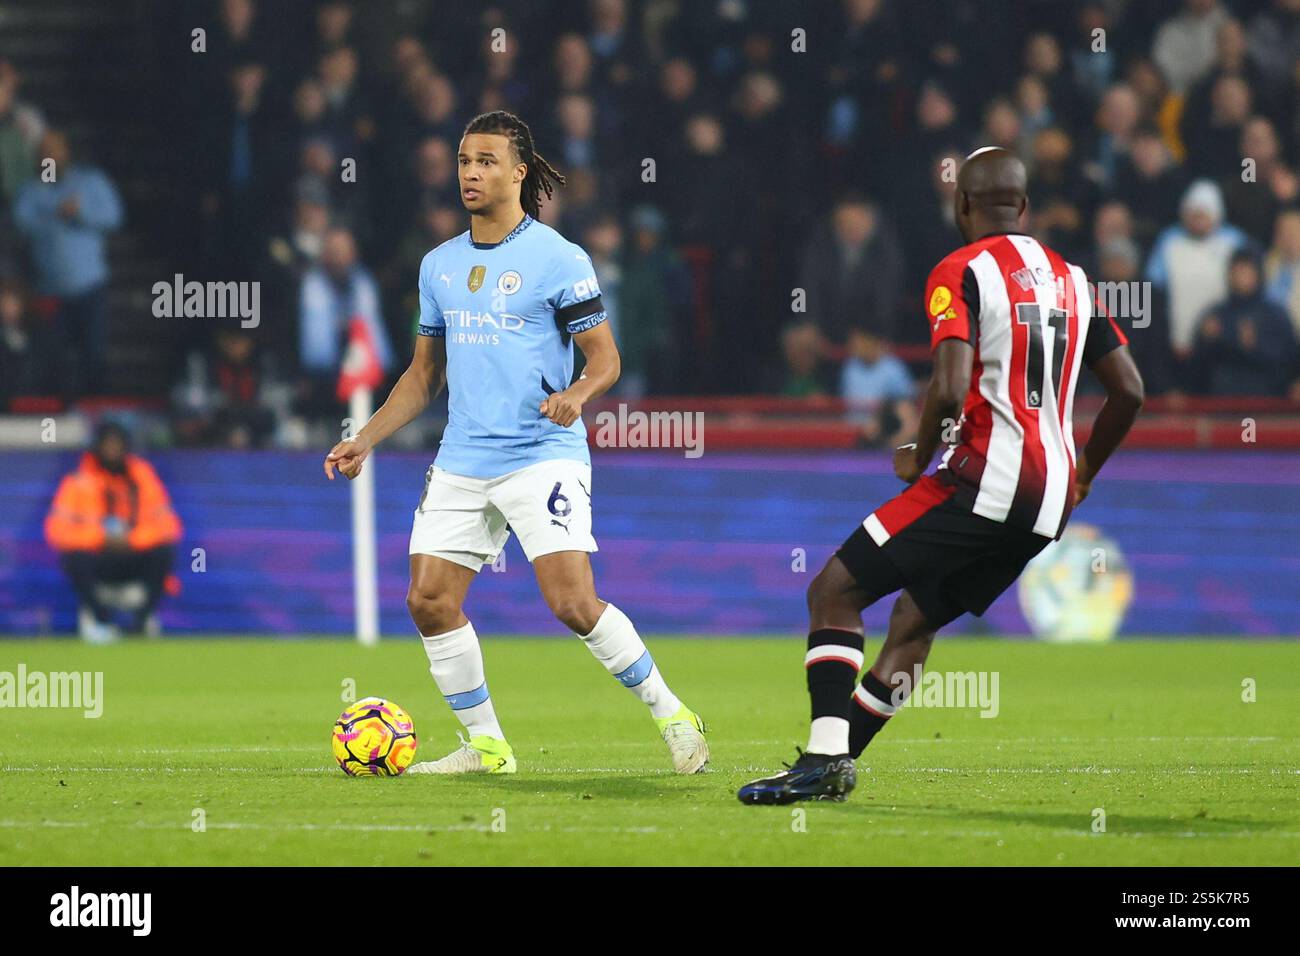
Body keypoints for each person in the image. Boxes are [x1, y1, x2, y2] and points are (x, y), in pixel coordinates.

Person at [739, 148, 1144, 804]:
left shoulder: (959, 270)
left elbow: (950, 386)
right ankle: (835, 763)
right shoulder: (1073, 279)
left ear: (962, 206)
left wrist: (917, 453)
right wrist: (1085, 473)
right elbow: (1129, 393)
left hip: (982, 481)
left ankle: (821, 757)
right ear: (1025, 207)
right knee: (914, 624)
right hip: (1047, 508)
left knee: (833, 592)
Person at [323, 111, 707, 776]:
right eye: (465, 160)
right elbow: (423, 378)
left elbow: (606, 359)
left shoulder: (558, 259)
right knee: (429, 600)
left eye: (487, 161)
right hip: (464, 458)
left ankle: (673, 714)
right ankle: (487, 746)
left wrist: (577, 397)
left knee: (571, 603)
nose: (471, 173)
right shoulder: (439, 266)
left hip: (541, 453)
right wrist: (364, 440)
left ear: (520, 171)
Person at [44, 421, 183, 642]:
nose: (112, 451)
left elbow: (169, 526)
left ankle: (141, 621)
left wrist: (132, 540)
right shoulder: (78, 482)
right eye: (107, 445)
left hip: (133, 554)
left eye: (117, 445)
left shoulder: (143, 478)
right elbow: (56, 532)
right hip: (98, 557)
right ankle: (102, 620)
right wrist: (101, 538)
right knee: (74, 559)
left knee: (163, 553)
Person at [12, 130, 123, 398]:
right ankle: (57, 423)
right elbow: (21, 223)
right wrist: (54, 214)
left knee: (93, 355)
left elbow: (114, 217)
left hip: (90, 287)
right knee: (53, 360)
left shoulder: (89, 181)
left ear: (66, 151)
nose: (50, 155)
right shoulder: (32, 189)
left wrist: (80, 213)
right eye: (44, 150)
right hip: (50, 291)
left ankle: (97, 412)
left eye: (55, 149)